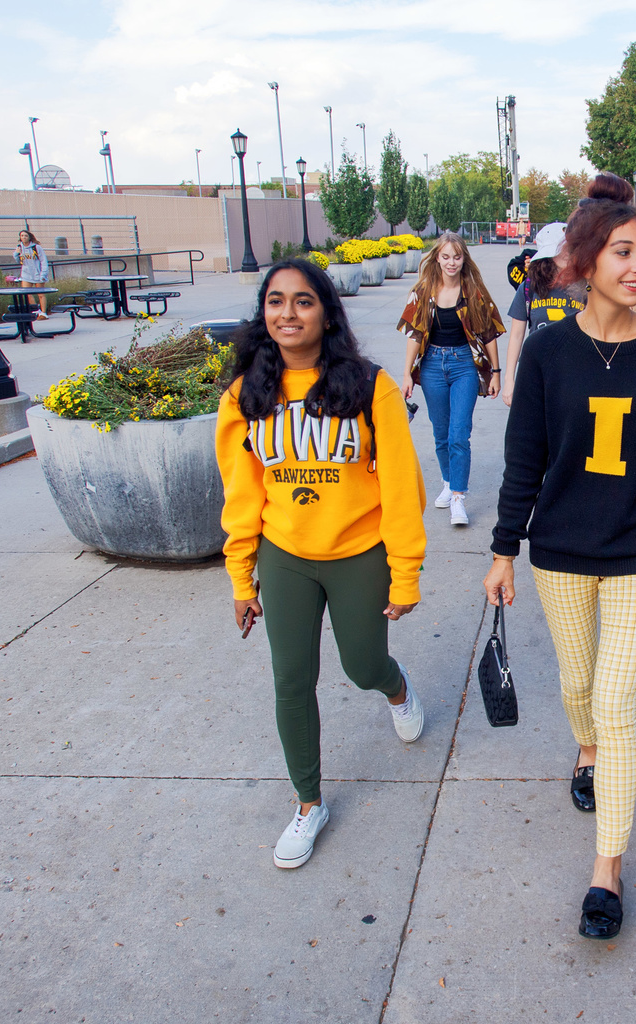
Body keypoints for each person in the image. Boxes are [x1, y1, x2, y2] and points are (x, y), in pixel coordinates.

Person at [485, 173, 636, 942]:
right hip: (558, 550)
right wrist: (503, 549)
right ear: (587, 259)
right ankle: (584, 749)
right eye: (623, 252)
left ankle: (607, 869)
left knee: (616, 700)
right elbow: (524, 458)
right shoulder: (549, 352)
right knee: (578, 685)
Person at [217, 258, 430, 872]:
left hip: (358, 551)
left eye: (303, 301)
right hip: (285, 555)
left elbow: (401, 487)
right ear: (263, 313)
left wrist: (405, 571)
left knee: (362, 666)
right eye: (276, 301)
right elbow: (241, 494)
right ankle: (308, 803)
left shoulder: (370, 386)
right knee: (291, 680)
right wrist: (241, 577)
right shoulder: (245, 395)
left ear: (327, 314)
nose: (288, 313)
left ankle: (396, 688)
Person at [397, 232, 505, 528]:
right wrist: (406, 374)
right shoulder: (423, 291)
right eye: (445, 256)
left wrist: (496, 373)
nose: (451, 262)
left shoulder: (474, 291)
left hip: (464, 365)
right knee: (441, 433)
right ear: (437, 258)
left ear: (464, 258)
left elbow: (489, 334)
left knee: (459, 433)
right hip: (432, 365)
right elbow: (414, 334)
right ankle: (448, 481)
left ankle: (458, 496)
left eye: (457, 257)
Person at [498, 222, 586, 406]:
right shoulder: (529, 288)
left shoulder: (586, 287)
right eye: (564, 248)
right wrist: (509, 380)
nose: (569, 252)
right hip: (536, 371)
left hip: (575, 371)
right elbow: (516, 336)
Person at [15, 230, 51, 318]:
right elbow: (18, 261)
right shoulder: (19, 247)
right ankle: (36, 310)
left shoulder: (36, 247)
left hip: (37, 274)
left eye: (25, 236)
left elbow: (43, 261)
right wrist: (16, 253)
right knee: (27, 293)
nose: (24, 237)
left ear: (29, 237)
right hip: (26, 274)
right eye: (22, 236)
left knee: (40, 294)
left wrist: (43, 274)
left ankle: (43, 312)